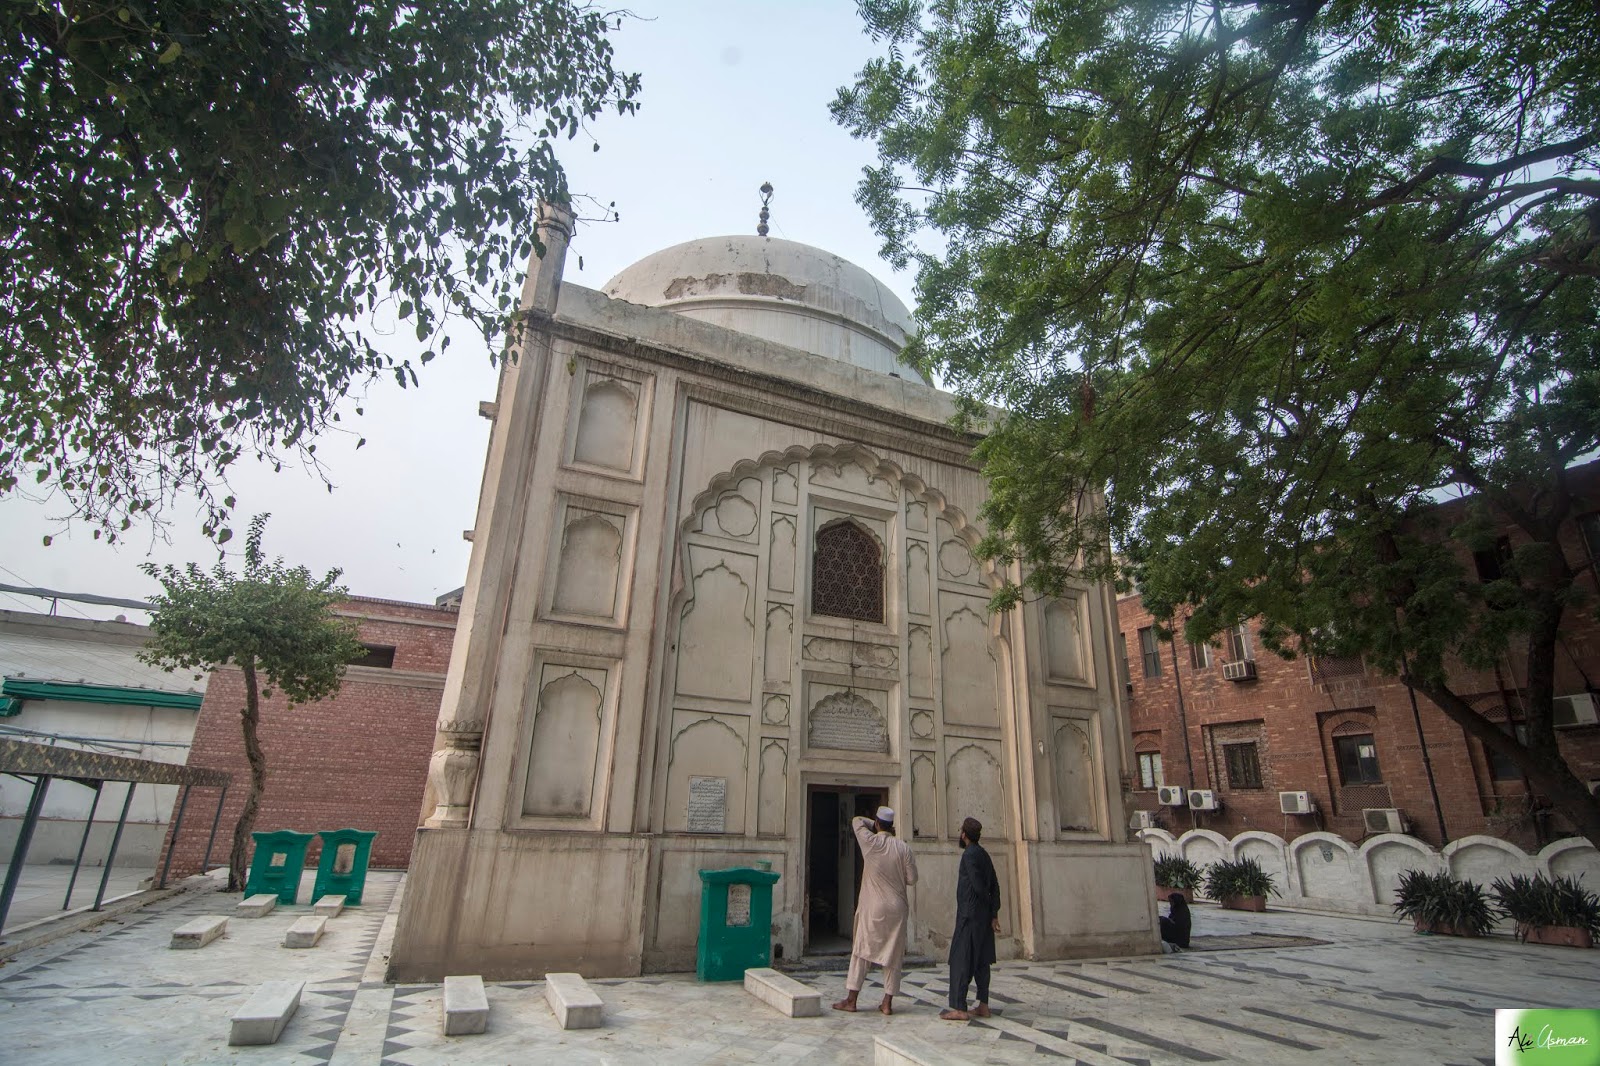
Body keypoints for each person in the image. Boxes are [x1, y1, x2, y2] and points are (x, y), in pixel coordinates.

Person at [832, 806, 918, 1016]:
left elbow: (856, 821)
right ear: (893, 826)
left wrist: (874, 825)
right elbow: (912, 879)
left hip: (873, 907)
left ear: (878, 824)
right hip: (897, 907)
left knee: (862, 950)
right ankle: (887, 1003)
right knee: (893, 955)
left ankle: (851, 1000)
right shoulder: (903, 848)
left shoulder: (870, 842)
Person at [940, 815, 1000, 1021]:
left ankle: (959, 1007)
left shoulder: (969, 855)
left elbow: (979, 886)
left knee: (961, 959)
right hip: (982, 917)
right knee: (982, 960)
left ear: (964, 834)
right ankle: (983, 1004)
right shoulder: (983, 854)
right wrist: (993, 913)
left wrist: (983, 907)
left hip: (970, 915)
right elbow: (995, 885)